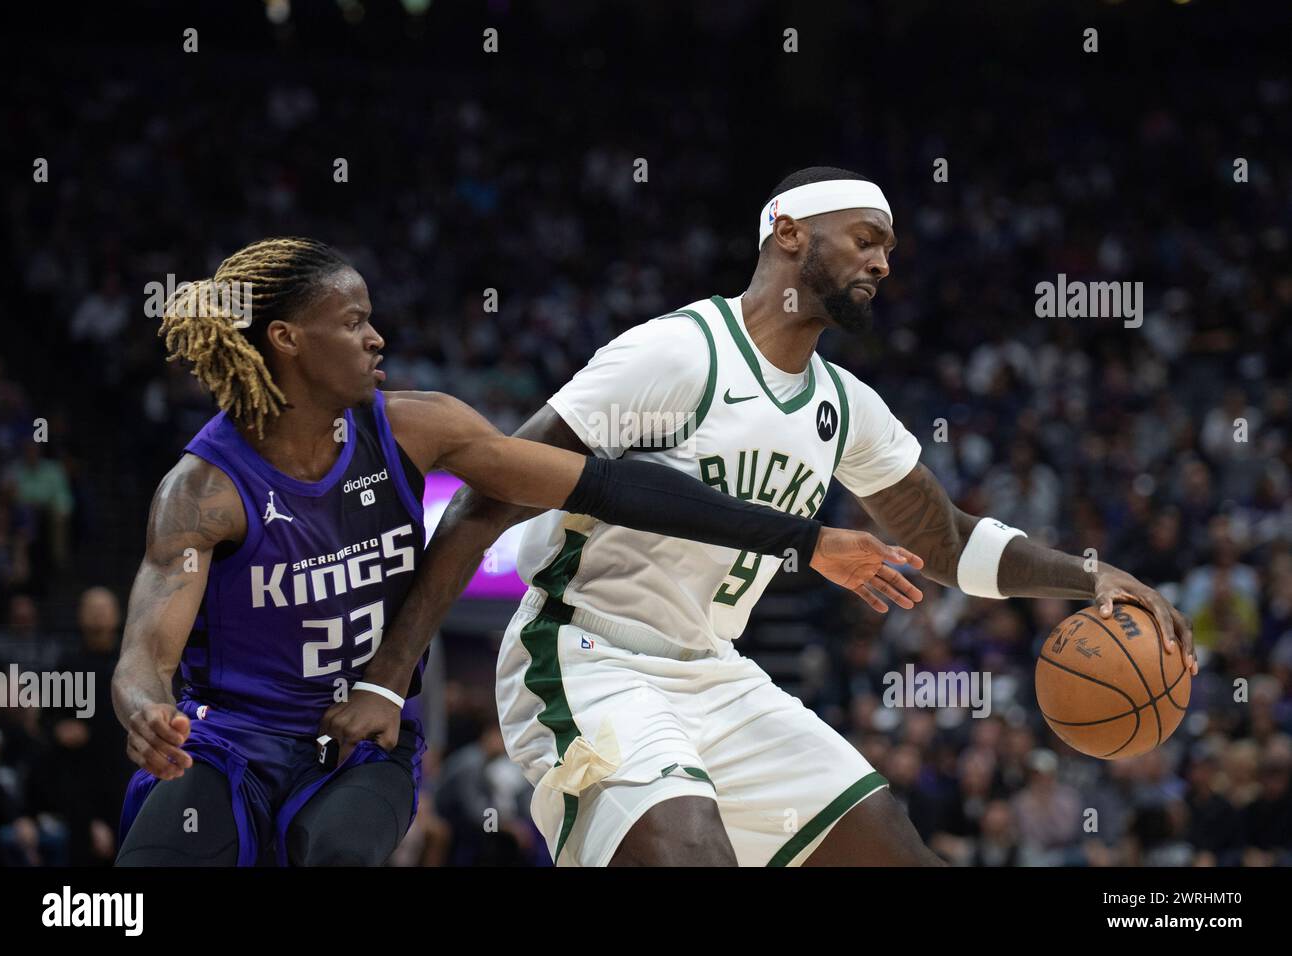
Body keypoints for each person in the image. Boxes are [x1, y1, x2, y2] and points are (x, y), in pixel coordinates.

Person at [325, 168, 1198, 867]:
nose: (885, 262)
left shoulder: (845, 406)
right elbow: (490, 493)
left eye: (890, 248)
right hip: (587, 655)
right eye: (866, 239)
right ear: (788, 234)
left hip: (713, 671)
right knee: (686, 849)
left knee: (892, 848)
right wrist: (386, 677)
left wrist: (1088, 574)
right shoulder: (675, 353)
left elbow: (945, 540)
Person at [112, 236, 923, 866]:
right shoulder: (203, 493)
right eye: (354, 322)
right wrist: (146, 710)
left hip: (361, 744)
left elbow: (609, 487)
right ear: (287, 339)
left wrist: (804, 537)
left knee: (333, 851)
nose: (376, 337)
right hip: (234, 741)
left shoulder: (417, 427)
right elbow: (144, 656)